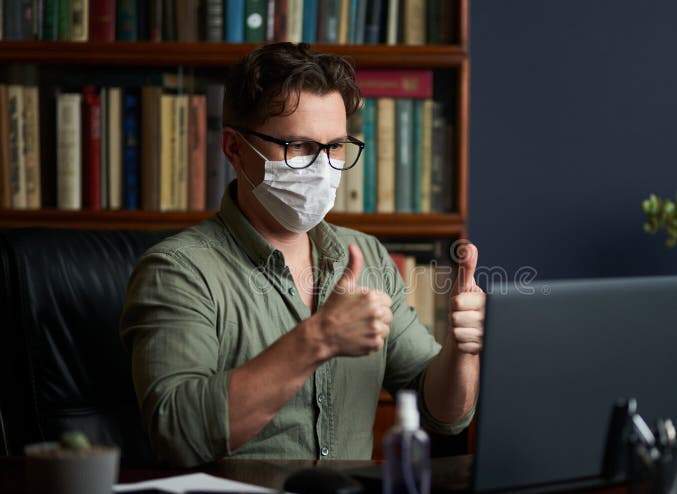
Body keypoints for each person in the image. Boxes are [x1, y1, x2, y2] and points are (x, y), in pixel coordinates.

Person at [120, 42, 484, 467]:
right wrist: (320, 338)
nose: (323, 167)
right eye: (300, 147)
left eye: (334, 147)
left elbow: (443, 416)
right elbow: (176, 435)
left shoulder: (366, 256)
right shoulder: (178, 271)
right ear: (234, 148)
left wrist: (462, 352)